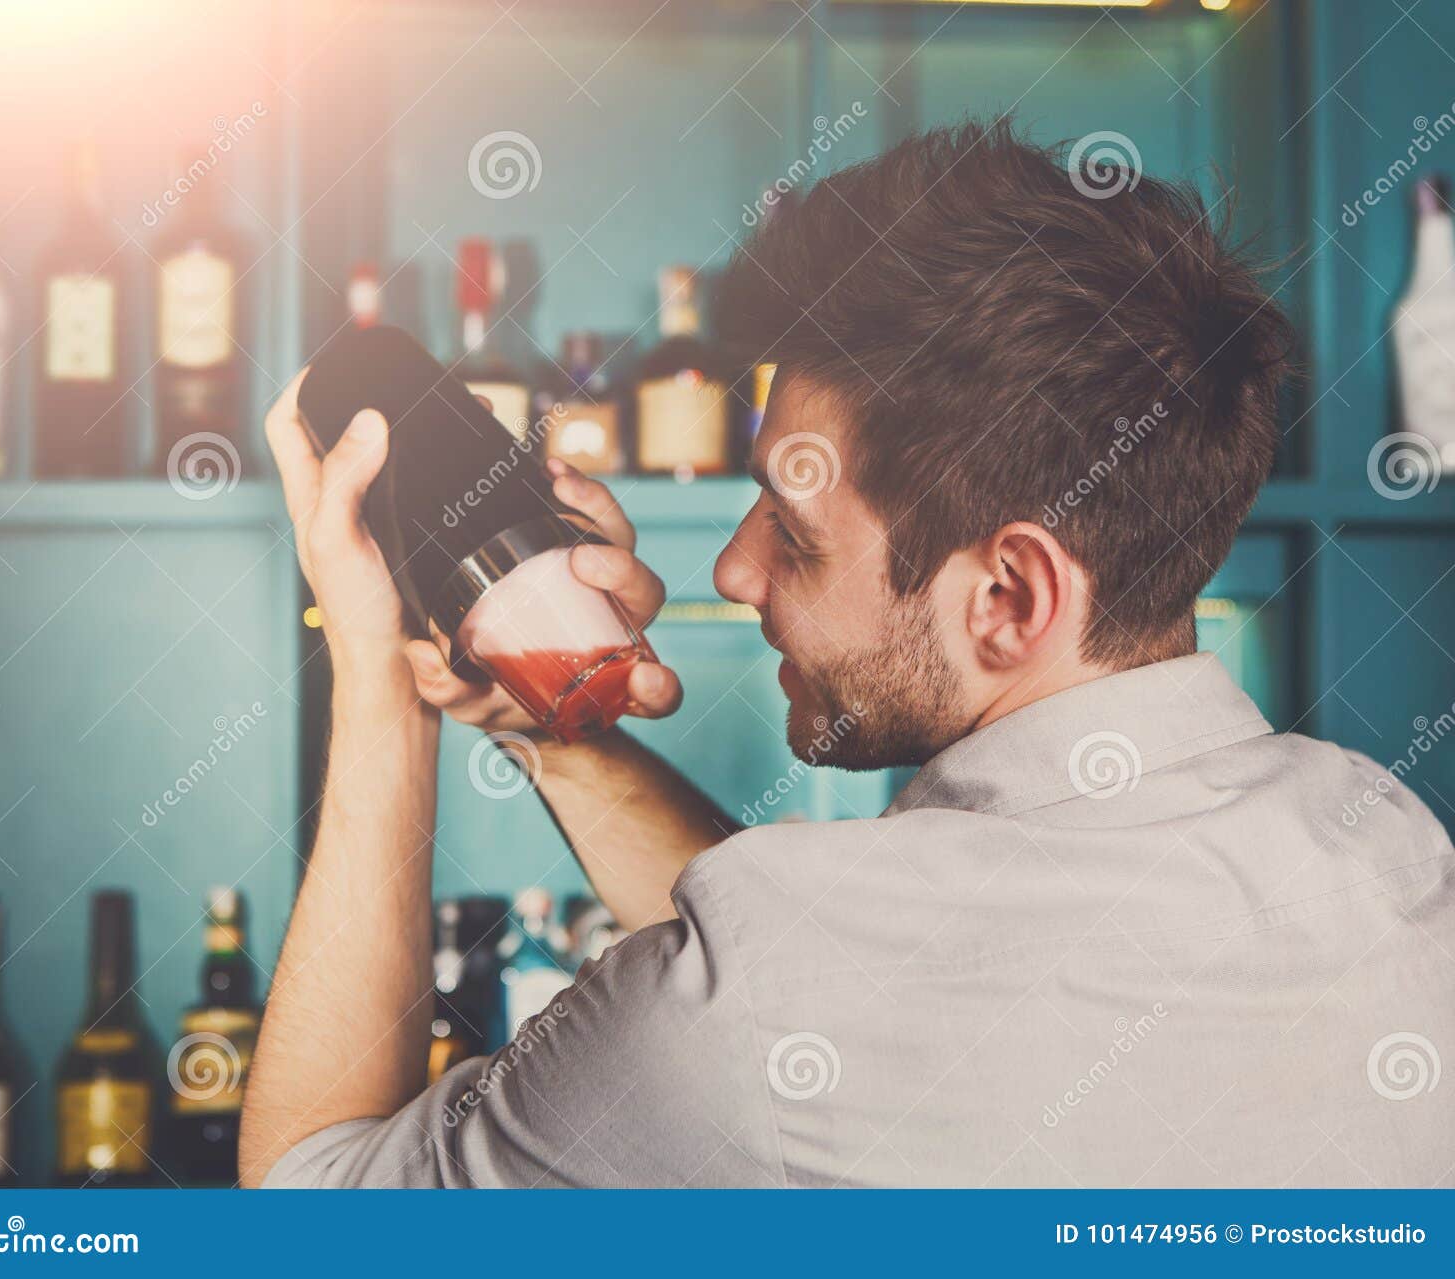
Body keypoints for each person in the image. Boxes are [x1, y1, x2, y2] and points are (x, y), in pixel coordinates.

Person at [241, 121, 1455, 1188]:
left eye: (796, 531)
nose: (733, 570)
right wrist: (549, 721)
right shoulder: (1384, 844)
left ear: (1011, 594)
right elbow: (831, 1004)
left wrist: (372, 669)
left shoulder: (776, 997)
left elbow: (311, 1207)